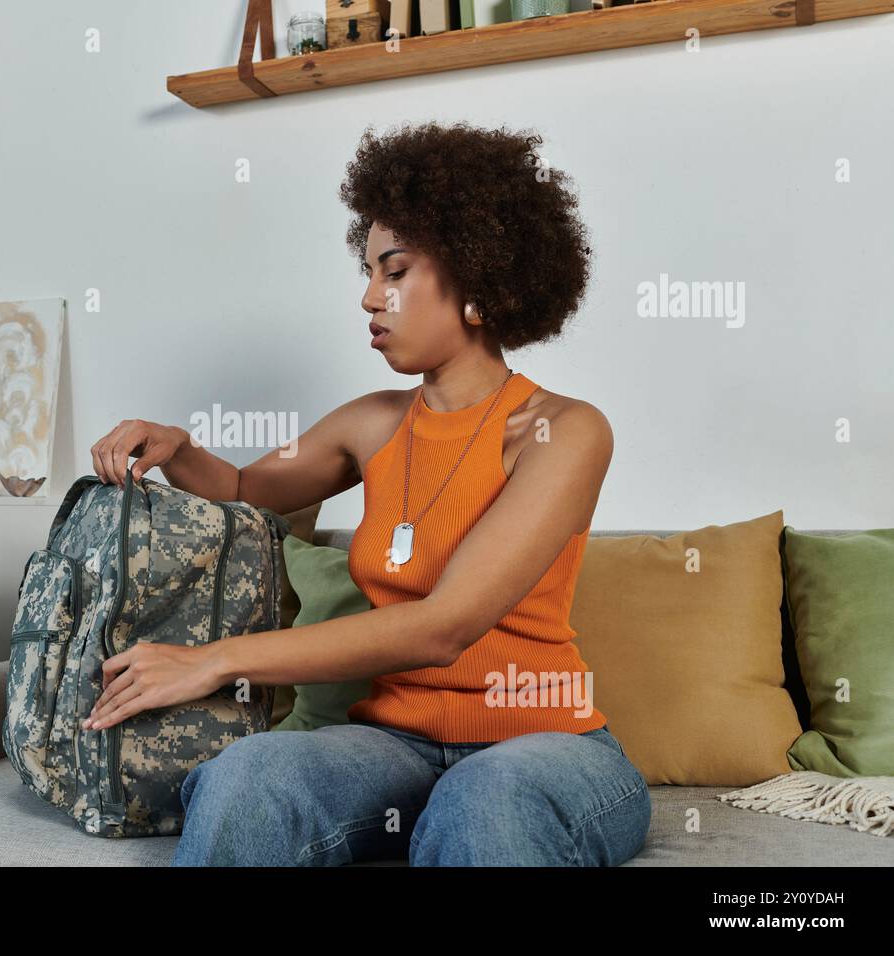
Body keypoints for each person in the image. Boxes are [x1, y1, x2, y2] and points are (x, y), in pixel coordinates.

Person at [82, 120, 650, 866]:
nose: (368, 298)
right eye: (369, 272)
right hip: (395, 748)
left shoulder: (564, 431)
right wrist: (179, 448)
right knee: (249, 776)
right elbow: (250, 490)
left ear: (479, 281)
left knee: (484, 800)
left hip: (547, 746)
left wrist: (218, 659)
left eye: (395, 272)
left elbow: (445, 625)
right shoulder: (371, 423)